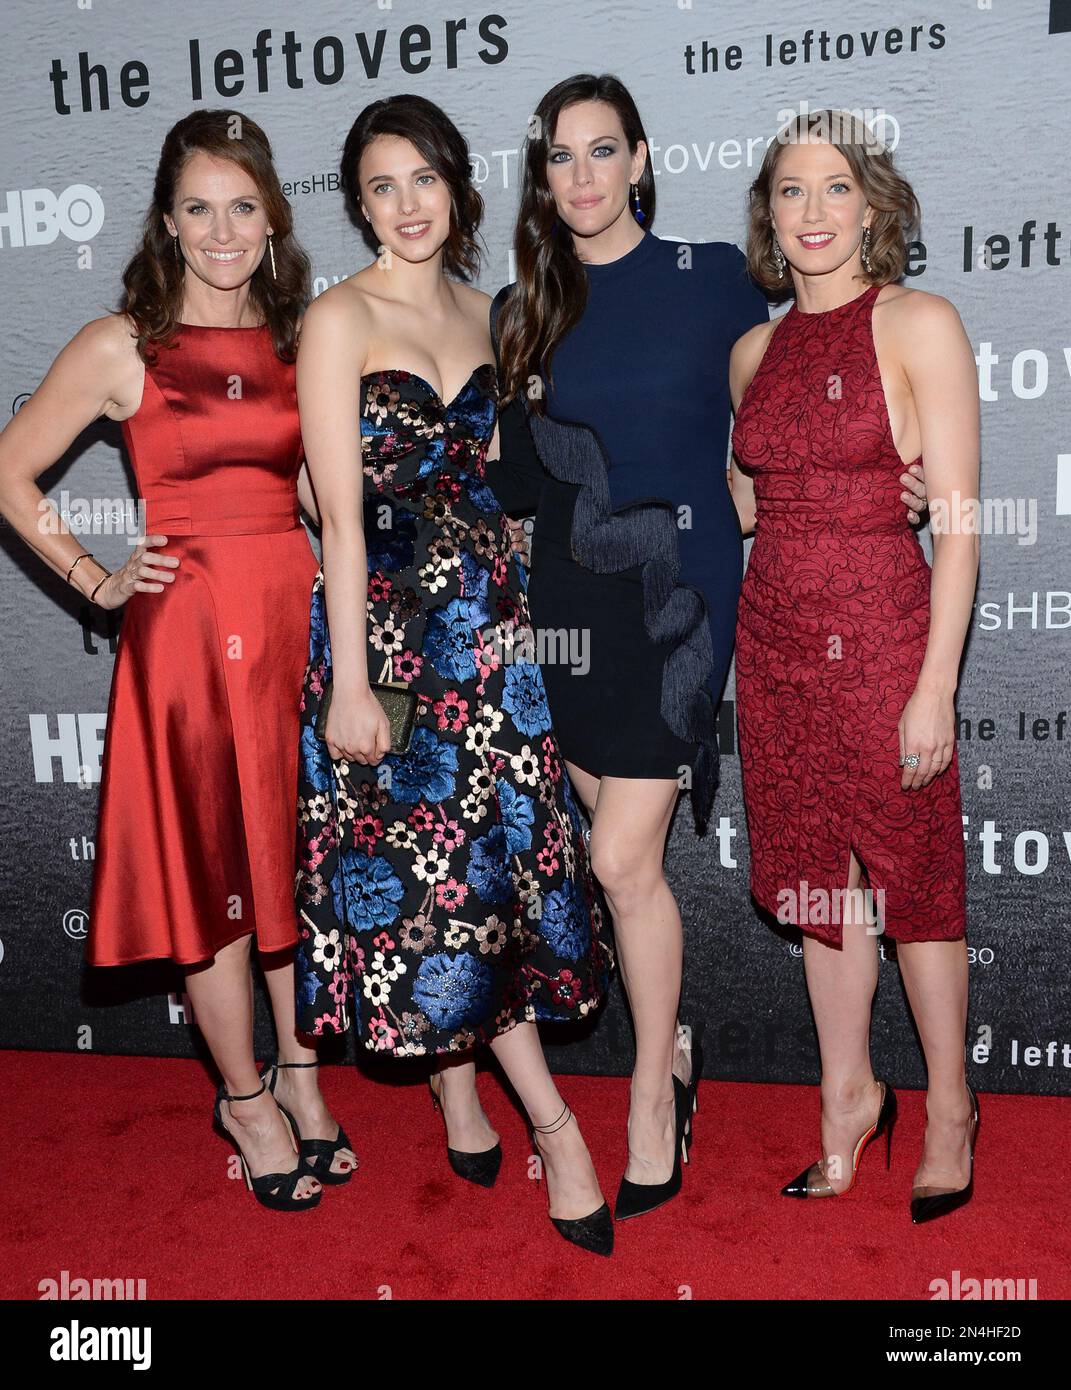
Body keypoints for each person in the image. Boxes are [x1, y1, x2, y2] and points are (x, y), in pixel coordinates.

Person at [486, 74, 933, 1220]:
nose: (583, 178)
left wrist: (904, 471)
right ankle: (675, 1056)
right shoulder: (522, 306)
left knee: (623, 860)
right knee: (622, 863)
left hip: (681, 606)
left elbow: (814, 378)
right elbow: (522, 485)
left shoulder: (716, 280)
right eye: (560, 159)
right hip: (565, 609)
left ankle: (647, 1093)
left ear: (641, 159)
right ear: (541, 180)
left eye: (604, 152)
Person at [0, 109, 356, 1212]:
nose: (222, 230)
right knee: (211, 872)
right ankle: (244, 1097)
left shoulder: (307, 338)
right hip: (188, 644)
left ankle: (302, 1072)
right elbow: (11, 473)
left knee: (291, 860)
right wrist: (98, 580)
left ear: (273, 218)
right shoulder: (125, 345)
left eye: (243, 206)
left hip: (293, 624)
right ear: (165, 220)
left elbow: (319, 495)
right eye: (198, 208)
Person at [291, 93, 615, 1255]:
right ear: (359, 203)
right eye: (381, 185)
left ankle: (462, 1085)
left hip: (494, 633)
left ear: (457, 187)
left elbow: (513, 496)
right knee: (441, 887)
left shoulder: (496, 313)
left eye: (423, 178)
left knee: (503, 879)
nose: (406, 204)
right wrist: (348, 687)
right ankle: (558, 1124)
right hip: (387, 641)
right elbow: (332, 520)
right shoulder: (336, 320)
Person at [730, 110, 979, 1223]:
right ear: (769, 215)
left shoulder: (920, 321)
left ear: (873, 207)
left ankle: (951, 1108)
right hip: (777, 639)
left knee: (910, 881)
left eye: (837, 188)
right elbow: (752, 503)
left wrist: (934, 685)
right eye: (792, 191)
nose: (815, 212)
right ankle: (846, 1098)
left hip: (883, 630)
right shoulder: (753, 349)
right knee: (822, 889)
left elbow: (962, 527)